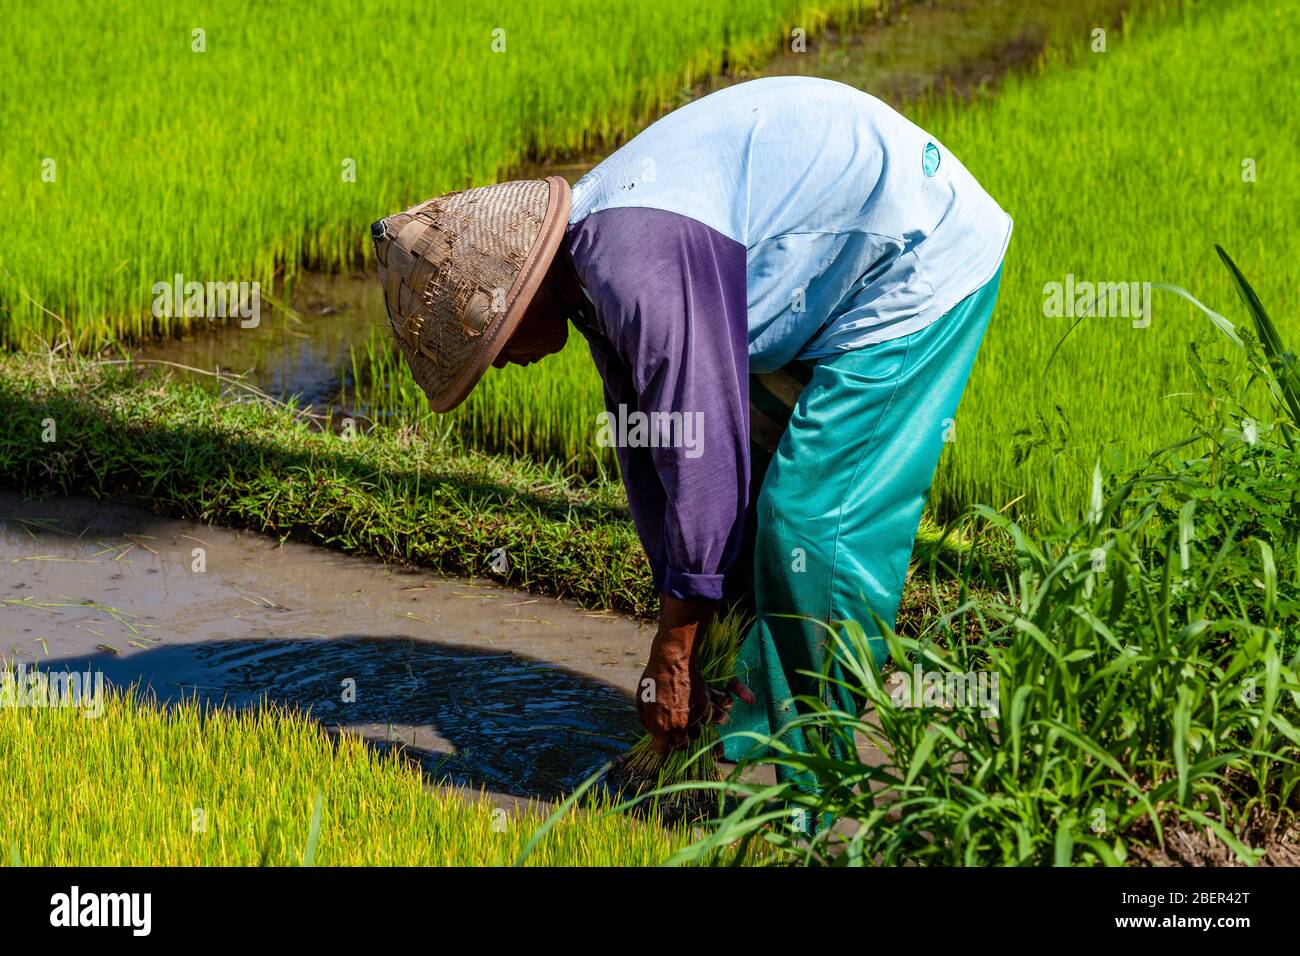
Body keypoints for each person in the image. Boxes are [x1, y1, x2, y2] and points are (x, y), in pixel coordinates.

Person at [372, 76, 1012, 774]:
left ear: (516, 296)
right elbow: (653, 450)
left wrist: (674, 647)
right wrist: (676, 610)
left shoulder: (633, 267)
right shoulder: (593, 275)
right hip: (806, 286)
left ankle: (812, 786)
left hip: (911, 257)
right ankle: (718, 748)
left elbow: (703, 452)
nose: (502, 367)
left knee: (809, 523)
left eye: (488, 350)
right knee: (727, 554)